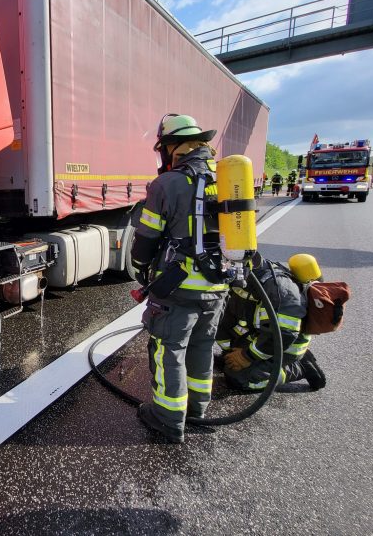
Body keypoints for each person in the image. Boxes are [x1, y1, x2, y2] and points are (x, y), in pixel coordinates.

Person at [131, 114, 229, 443]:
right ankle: (197, 408)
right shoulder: (226, 178)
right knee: (202, 345)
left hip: (178, 287)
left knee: (169, 349)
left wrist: (139, 265)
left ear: (172, 147)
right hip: (218, 284)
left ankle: (169, 418)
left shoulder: (167, 183)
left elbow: (147, 237)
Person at [217, 253, 326, 391]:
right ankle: (251, 360)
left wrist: (246, 357)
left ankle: (299, 367)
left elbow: (284, 333)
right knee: (228, 364)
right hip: (261, 338)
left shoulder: (280, 289)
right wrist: (230, 352)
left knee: (239, 379)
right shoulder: (239, 279)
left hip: (285, 345)